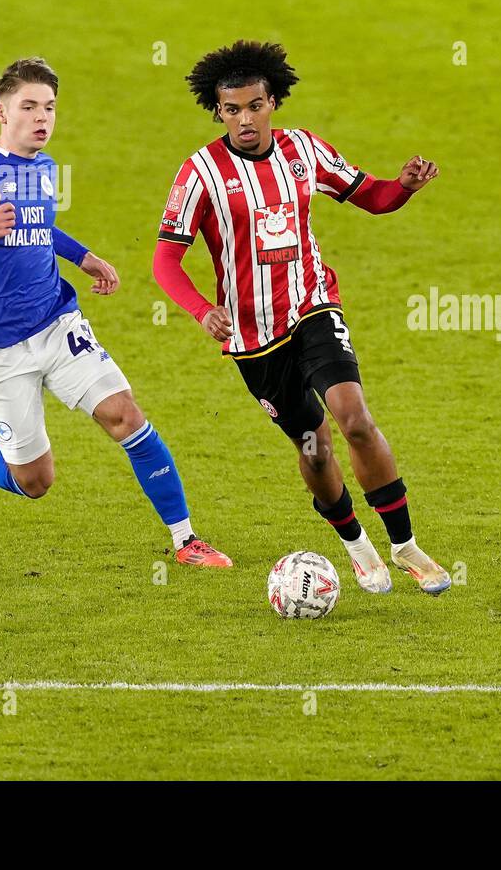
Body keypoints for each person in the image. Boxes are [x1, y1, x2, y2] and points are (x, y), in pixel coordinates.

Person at [0, 57, 231, 567]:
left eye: (49, 107)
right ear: (0, 112)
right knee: (34, 481)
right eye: (28, 107)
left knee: (125, 415)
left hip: (57, 323)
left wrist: (83, 257)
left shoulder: (45, 168)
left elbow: (37, 226)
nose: (41, 118)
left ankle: (186, 540)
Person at [152, 40, 449, 594]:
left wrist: (403, 187)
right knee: (314, 447)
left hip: (313, 304)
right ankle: (357, 547)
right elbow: (165, 258)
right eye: (232, 109)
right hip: (251, 337)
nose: (245, 119)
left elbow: (371, 196)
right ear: (218, 110)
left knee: (354, 418)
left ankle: (405, 545)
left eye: (255, 106)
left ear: (273, 102)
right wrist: (201, 310)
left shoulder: (305, 151)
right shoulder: (199, 173)